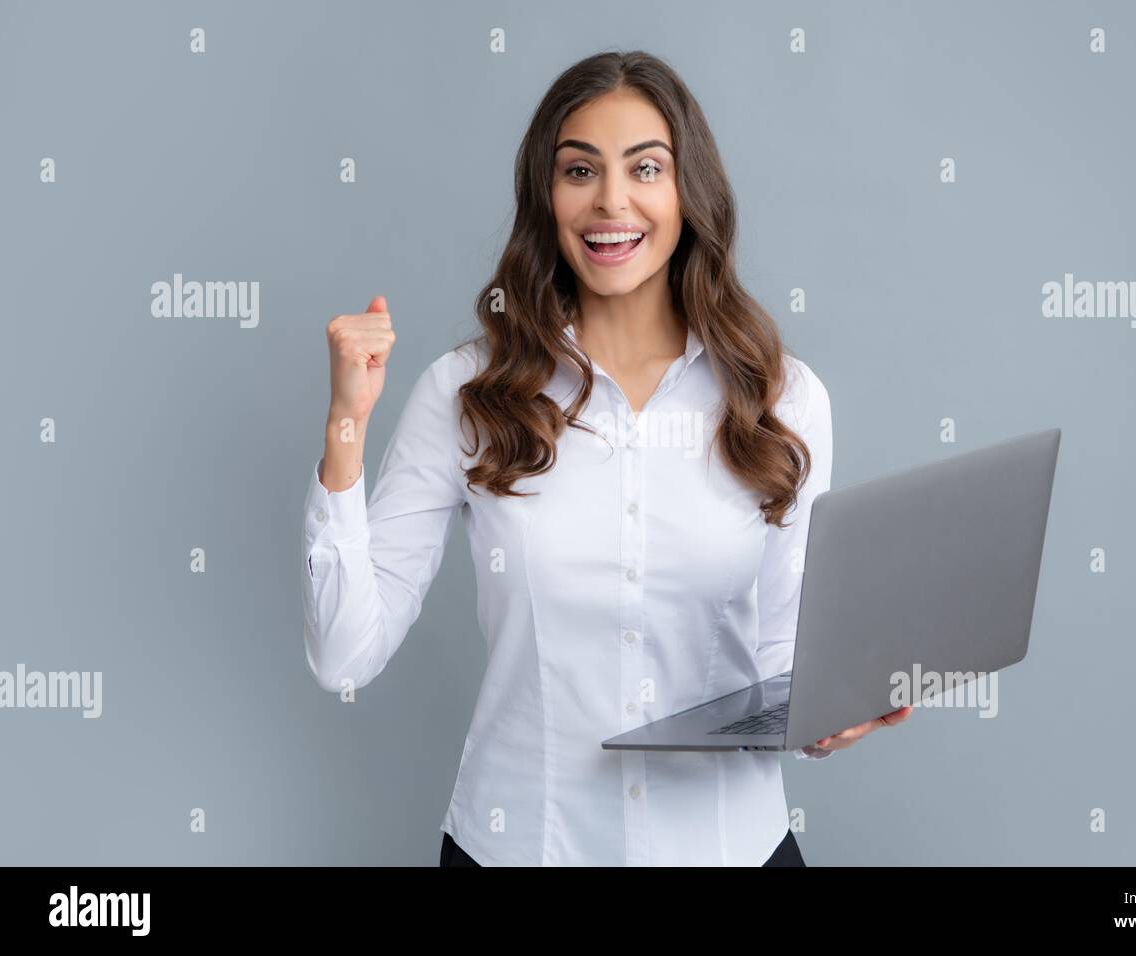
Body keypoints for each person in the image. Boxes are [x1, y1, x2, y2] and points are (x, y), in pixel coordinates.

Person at [302, 50, 911, 867]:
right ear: (546, 196)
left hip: (729, 849)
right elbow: (344, 653)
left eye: (645, 168)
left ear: (687, 191)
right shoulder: (467, 395)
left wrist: (829, 713)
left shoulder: (783, 398)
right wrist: (347, 423)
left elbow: (775, 661)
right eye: (579, 169)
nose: (611, 202)